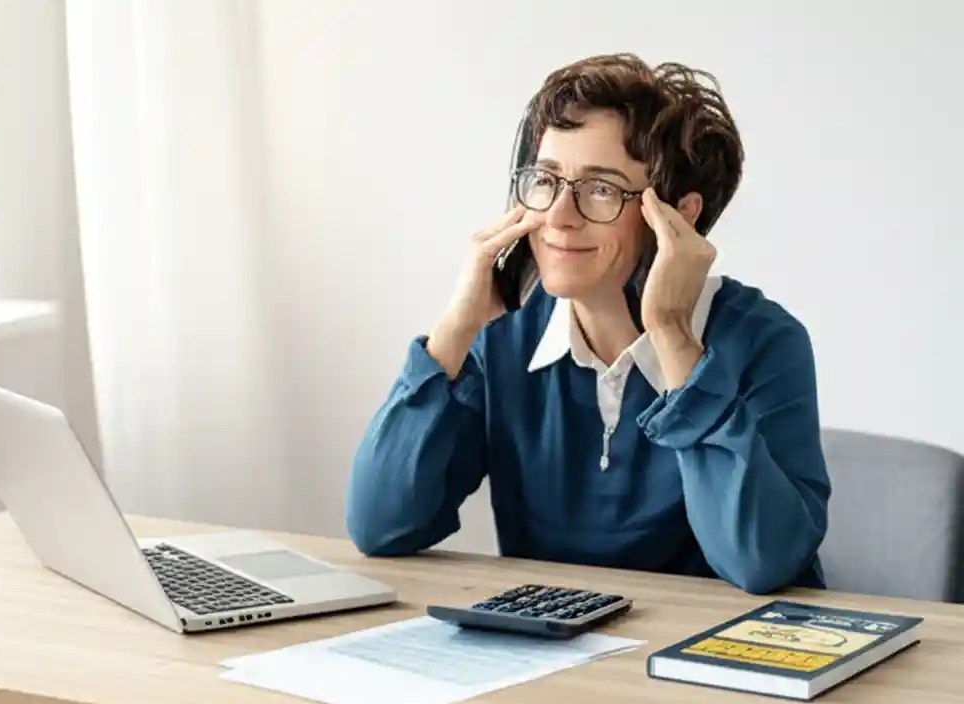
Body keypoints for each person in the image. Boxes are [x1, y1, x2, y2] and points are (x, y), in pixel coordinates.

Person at [345, 53, 831, 594]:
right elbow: (379, 525)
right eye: (545, 180)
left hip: (717, 666)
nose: (558, 215)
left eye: (601, 188)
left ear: (680, 215)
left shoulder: (763, 341)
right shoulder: (501, 339)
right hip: (562, 663)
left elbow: (760, 562)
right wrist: (454, 331)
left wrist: (671, 333)